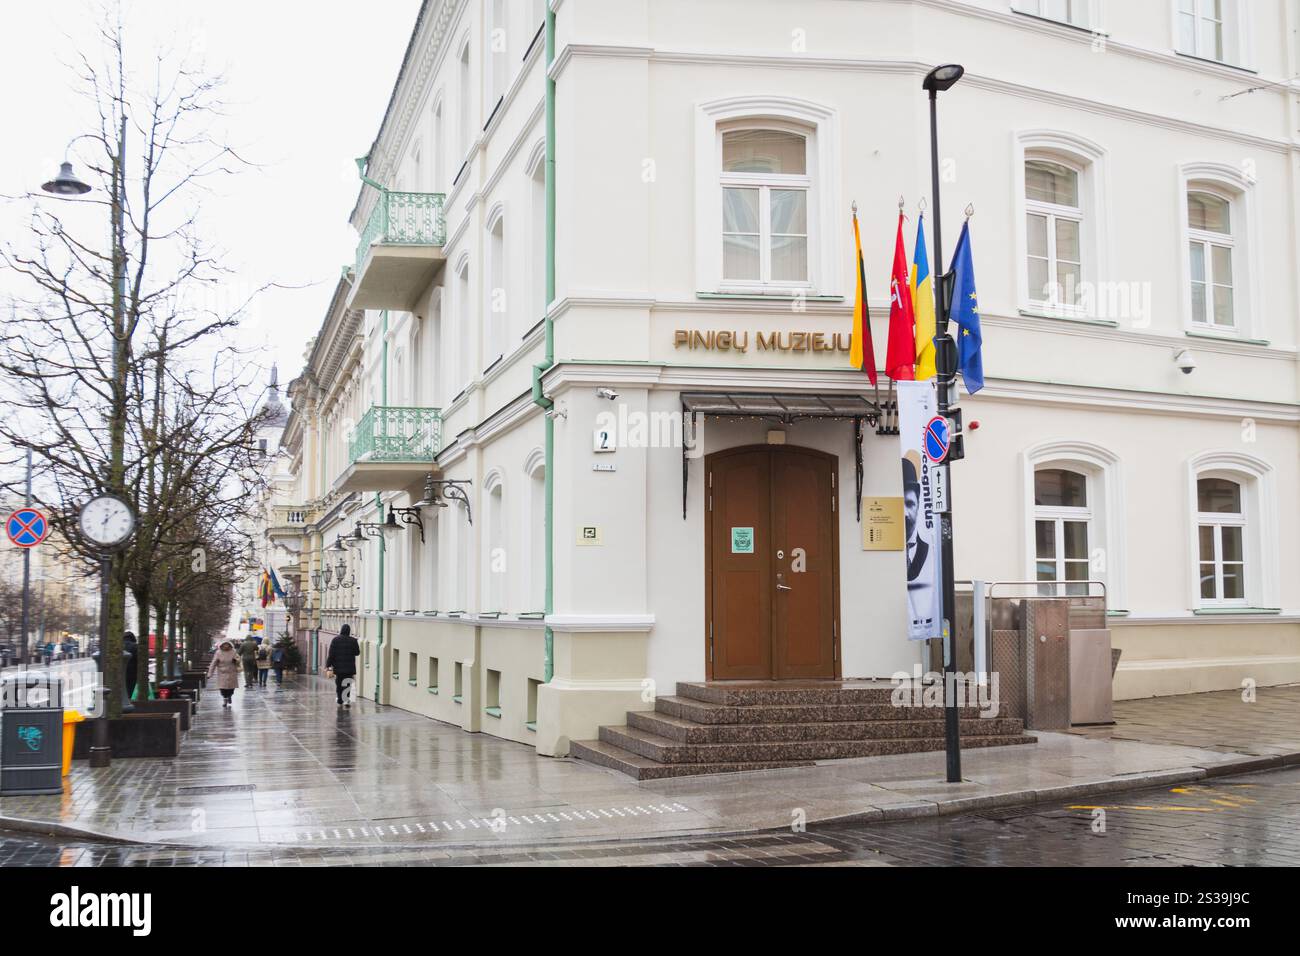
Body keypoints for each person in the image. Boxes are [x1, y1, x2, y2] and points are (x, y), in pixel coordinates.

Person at [325, 624, 361, 708]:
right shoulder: (353, 640)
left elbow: (331, 654)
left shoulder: (335, 640)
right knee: (347, 683)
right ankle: (346, 699)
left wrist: (328, 665)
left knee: (339, 683)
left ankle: (340, 699)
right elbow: (357, 652)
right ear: (349, 631)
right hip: (349, 667)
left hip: (338, 667)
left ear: (341, 630)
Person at [207, 641, 241, 708]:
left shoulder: (233, 651)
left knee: (231, 688)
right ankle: (225, 699)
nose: (226, 646)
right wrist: (209, 673)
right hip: (222, 673)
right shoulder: (218, 653)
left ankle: (229, 696)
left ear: (230, 645)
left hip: (232, 672)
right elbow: (213, 663)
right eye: (224, 645)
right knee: (223, 688)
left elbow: (238, 660)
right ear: (222, 645)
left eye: (227, 645)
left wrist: (236, 660)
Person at [122, 632, 139, 701]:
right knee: (130, 689)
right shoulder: (135, 646)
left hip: (120, 672)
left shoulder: (119, 645)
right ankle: (129, 701)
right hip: (132, 672)